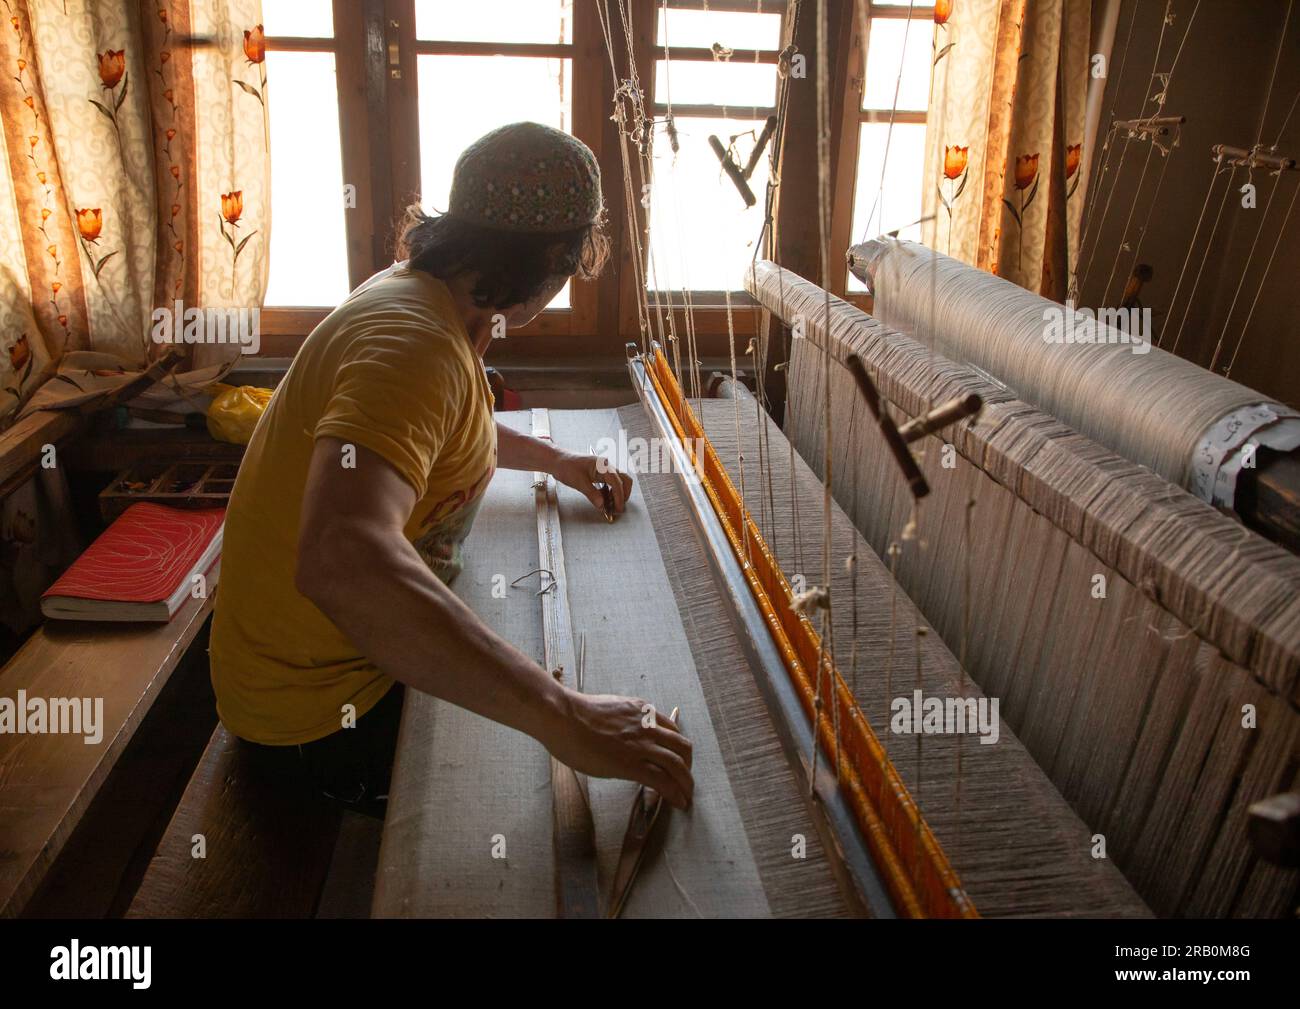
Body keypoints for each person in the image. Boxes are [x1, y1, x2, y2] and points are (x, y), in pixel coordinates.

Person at [209, 122, 693, 817]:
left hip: (295, 676)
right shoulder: (413, 345)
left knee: (536, 664)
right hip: (314, 721)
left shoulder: (424, 299)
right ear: (552, 261)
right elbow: (340, 555)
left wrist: (555, 461)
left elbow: (431, 428)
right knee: (531, 791)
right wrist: (565, 717)